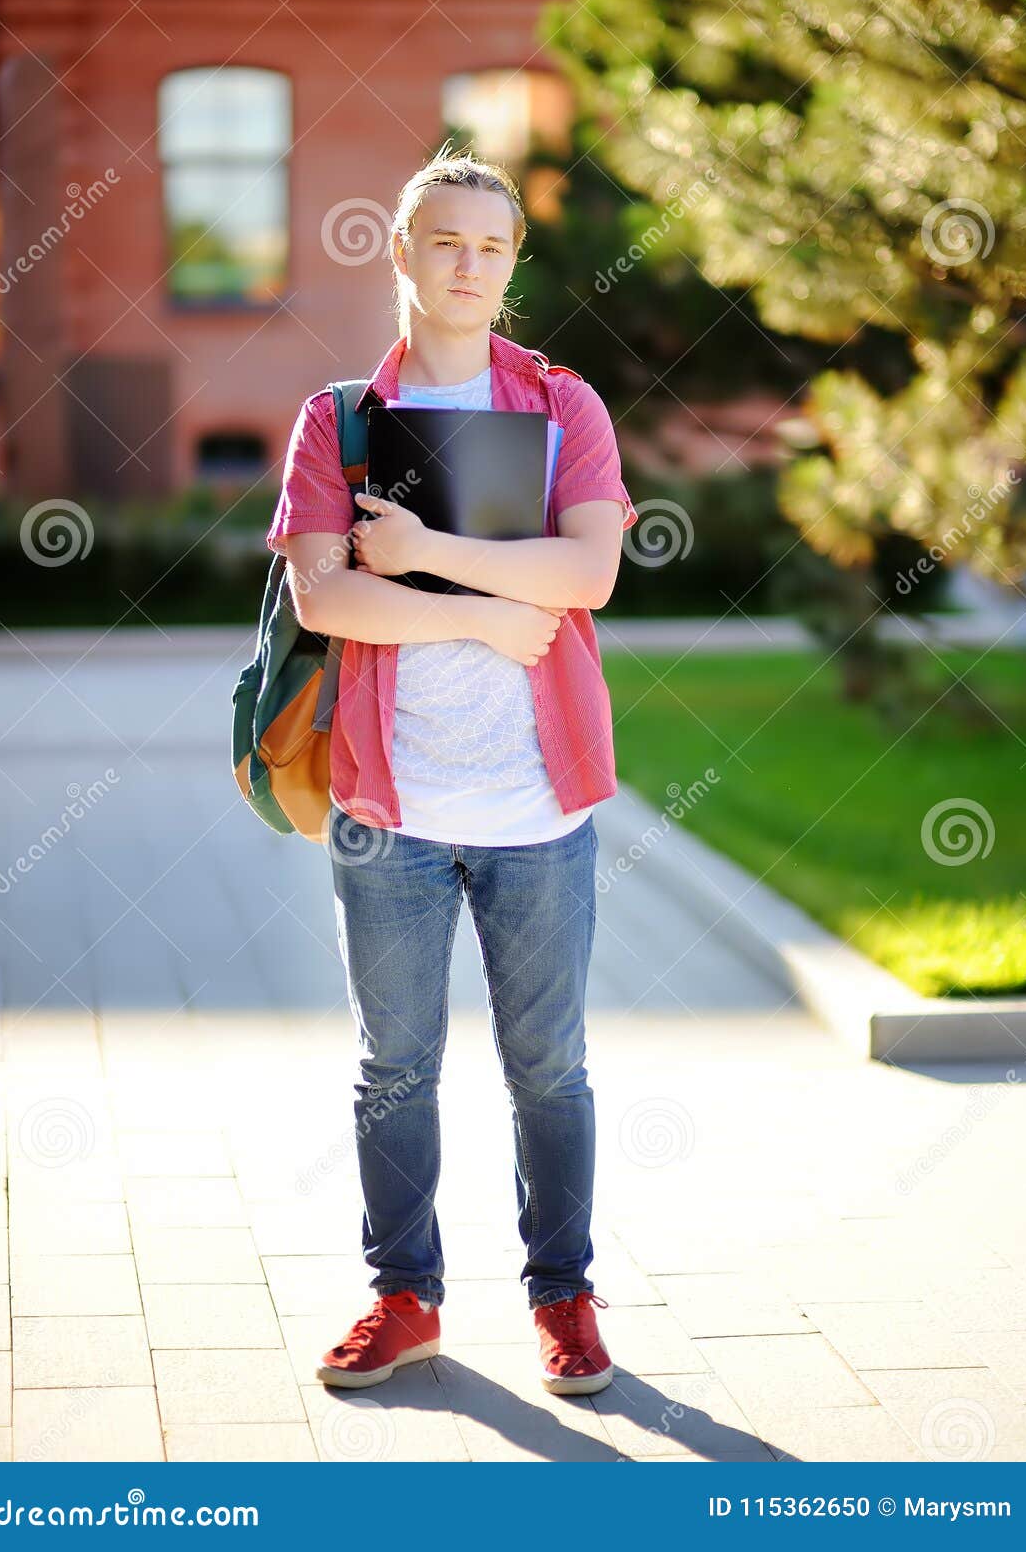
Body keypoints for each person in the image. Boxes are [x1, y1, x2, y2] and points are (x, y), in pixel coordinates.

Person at [266, 144, 637, 1396]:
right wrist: (484, 604)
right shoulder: (341, 423)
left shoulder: (560, 408)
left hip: (537, 805)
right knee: (395, 1067)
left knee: (551, 1067)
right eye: (446, 241)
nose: (469, 265)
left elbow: (585, 577)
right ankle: (405, 1297)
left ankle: (566, 1299)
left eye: (492, 246)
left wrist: (424, 554)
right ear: (403, 253)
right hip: (390, 807)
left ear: (511, 263)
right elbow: (327, 597)